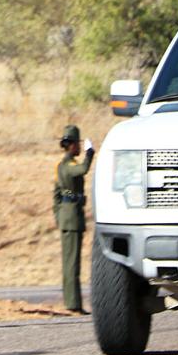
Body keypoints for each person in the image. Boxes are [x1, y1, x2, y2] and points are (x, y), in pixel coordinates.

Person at [54, 125, 96, 313]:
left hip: (66, 217)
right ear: (71, 145)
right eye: (77, 144)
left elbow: (55, 195)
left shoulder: (60, 166)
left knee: (68, 262)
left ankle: (71, 302)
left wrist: (58, 216)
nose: (78, 147)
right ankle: (73, 304)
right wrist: (90, 154)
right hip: (72, 219)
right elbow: (83, 169)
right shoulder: (69, 165)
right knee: (72, 263)